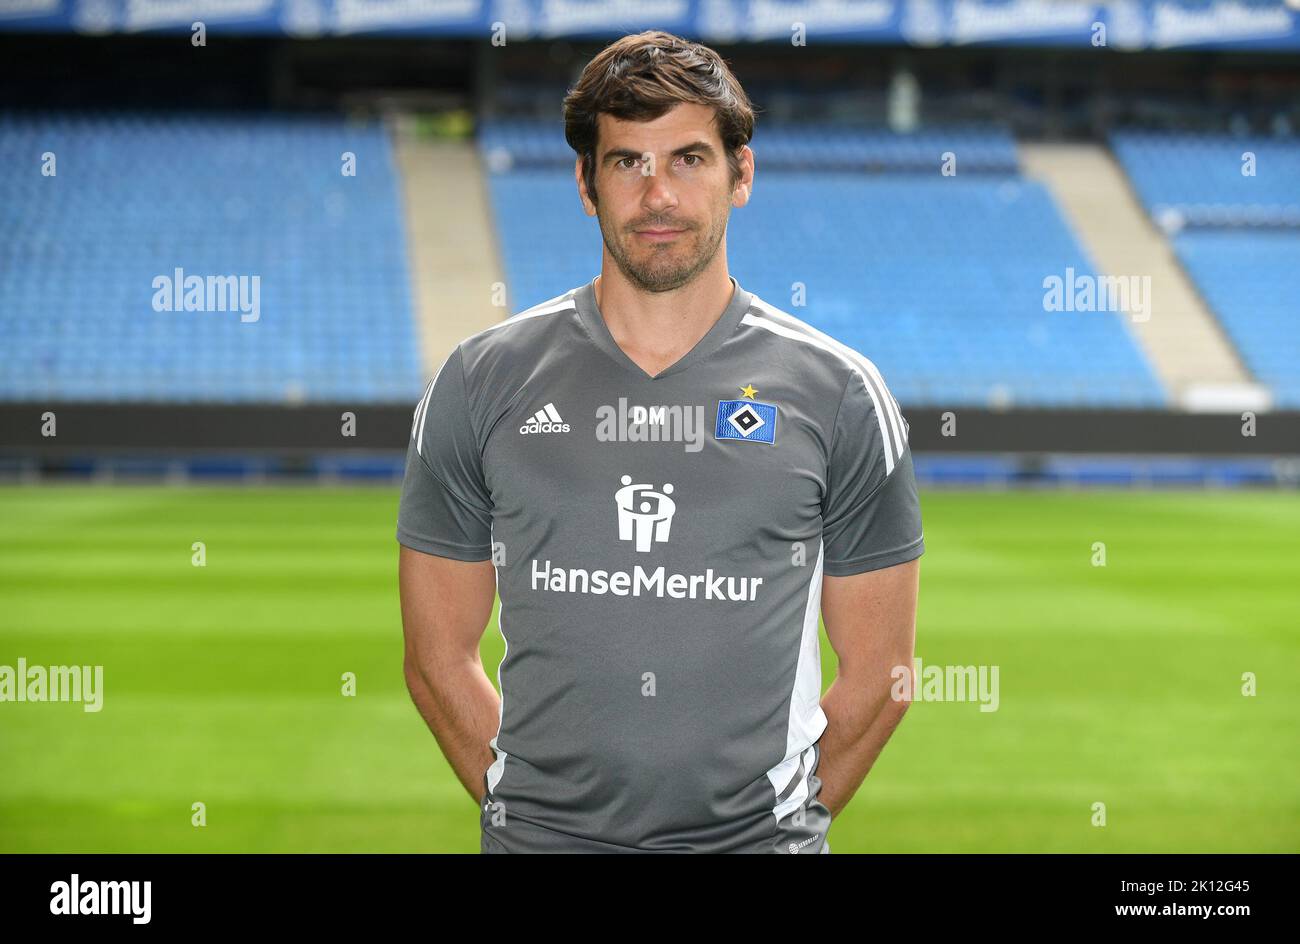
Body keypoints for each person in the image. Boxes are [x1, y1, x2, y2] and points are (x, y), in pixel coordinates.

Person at [397, 30, 923, 853]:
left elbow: (883, 678)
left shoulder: (842, 394)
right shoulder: (479, 383)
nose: (658, 196)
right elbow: (436, 659)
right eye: (627, 162)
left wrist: (773, 831)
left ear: (740, 175)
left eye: (688, 159)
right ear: (585, 184)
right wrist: (529, 815)